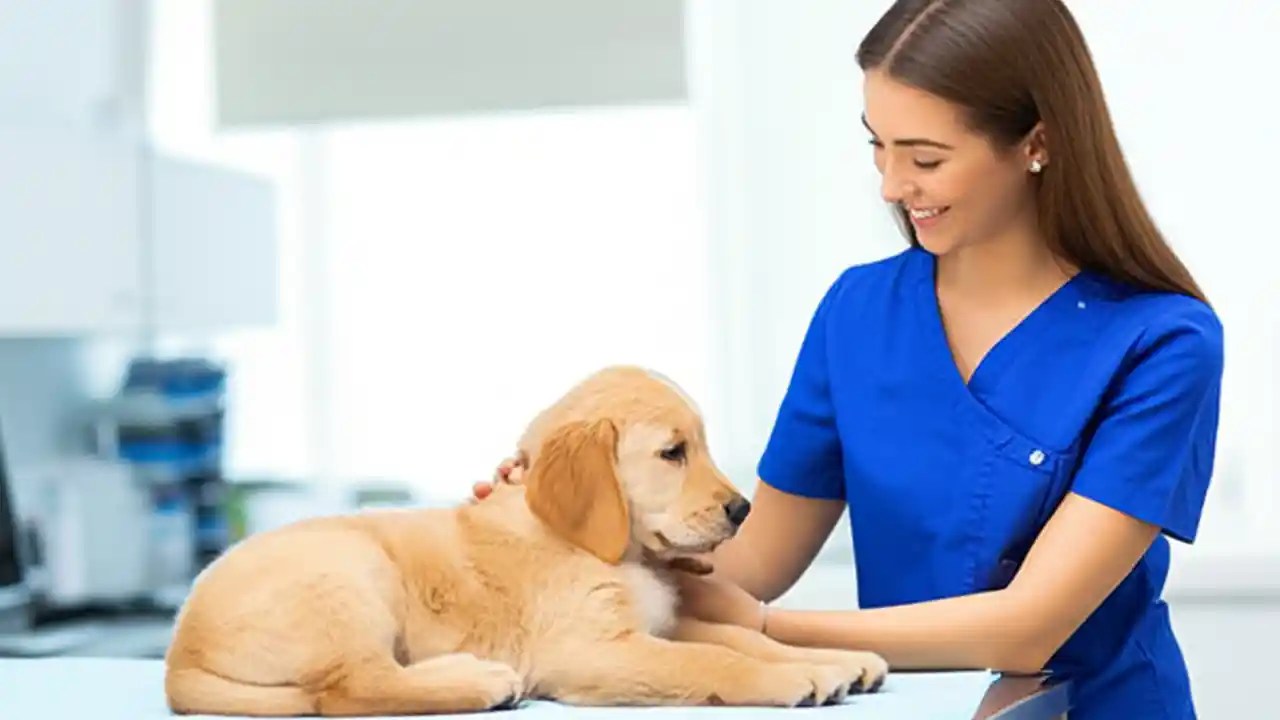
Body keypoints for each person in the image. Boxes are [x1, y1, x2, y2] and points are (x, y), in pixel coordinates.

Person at [476, 1, 1223, 717]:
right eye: (877, 144)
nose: (893, 185)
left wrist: (768, 633)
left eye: (926, 157)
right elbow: (747, 562)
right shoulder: (859, 314)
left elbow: (1028, 628)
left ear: (1037, 142)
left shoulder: (1161, 345)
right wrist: (567, 522)